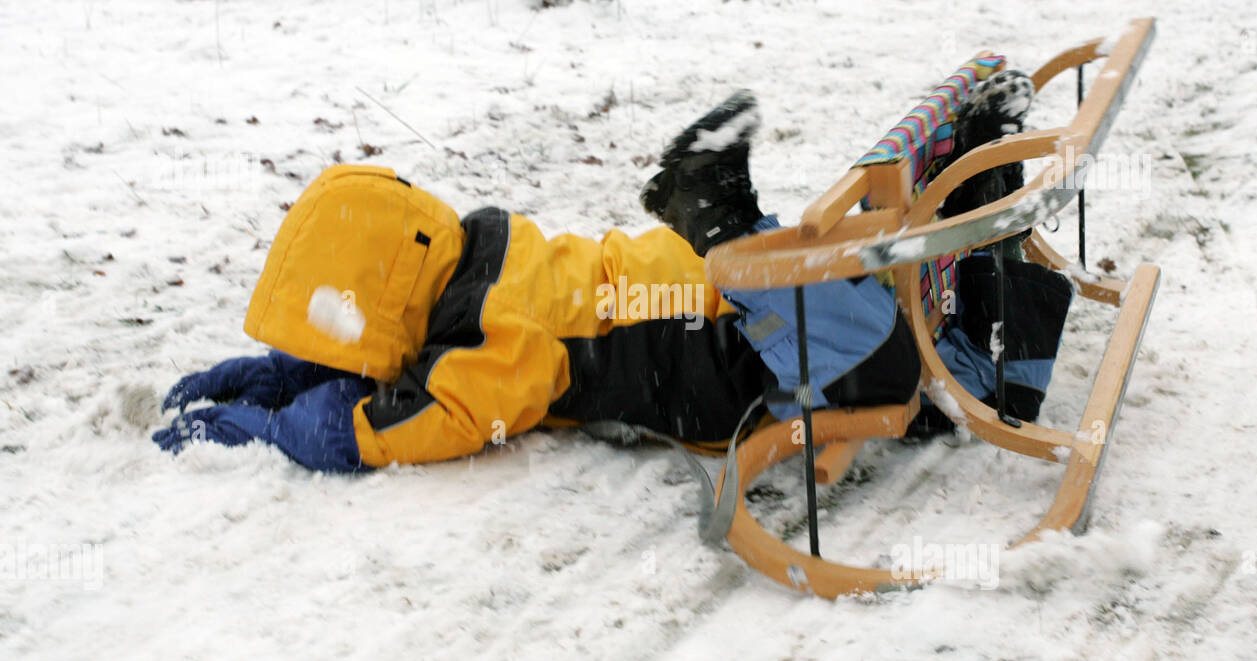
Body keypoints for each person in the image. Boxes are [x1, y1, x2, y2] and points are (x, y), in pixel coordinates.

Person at [154, 75, 1068, 470]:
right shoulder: (486, 287)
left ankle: (735, 225)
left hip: (710, 338)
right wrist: (277, 386)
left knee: (882, 360)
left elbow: (397, 415)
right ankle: (745, 225)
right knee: (876, 335)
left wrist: (266, 417)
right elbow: (389, 392)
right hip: (697, 312)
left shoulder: (476, 335)